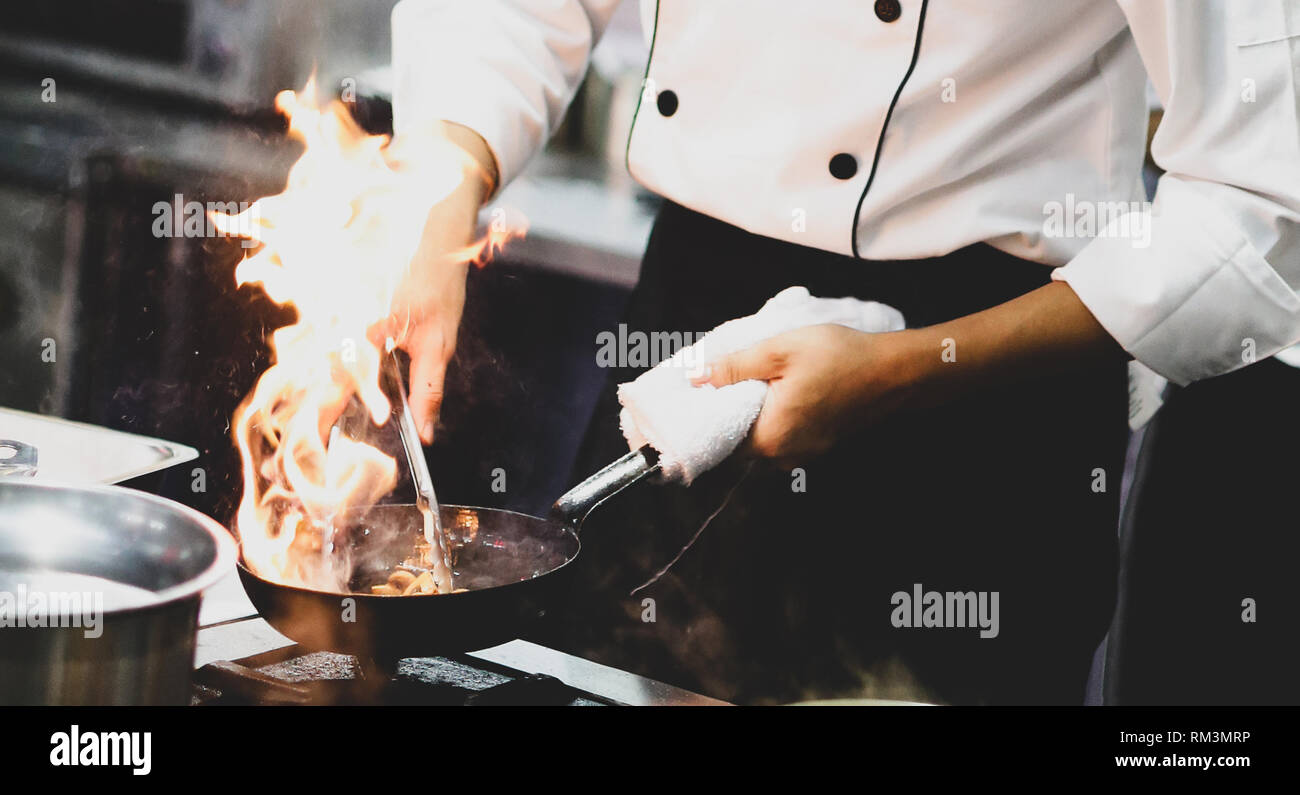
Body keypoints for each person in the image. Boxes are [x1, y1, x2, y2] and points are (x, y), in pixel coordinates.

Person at [377, 0, 1300, 703]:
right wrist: (445, 182)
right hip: (699, 336)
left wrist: (908, 367)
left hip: (986, 384)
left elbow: (1262, 197)